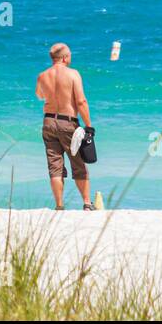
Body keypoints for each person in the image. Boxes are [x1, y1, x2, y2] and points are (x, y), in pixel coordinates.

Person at [36, 42, 94, 210]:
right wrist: (88, 125)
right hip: (67, 122)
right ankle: (86, 203)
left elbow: (40, 95)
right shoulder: (73, 74)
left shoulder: (43, 75)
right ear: (64, 57)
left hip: (48, 122)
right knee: (78, 162)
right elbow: (81, 101)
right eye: (69, 54)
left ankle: (59, 206)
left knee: (55, 164)